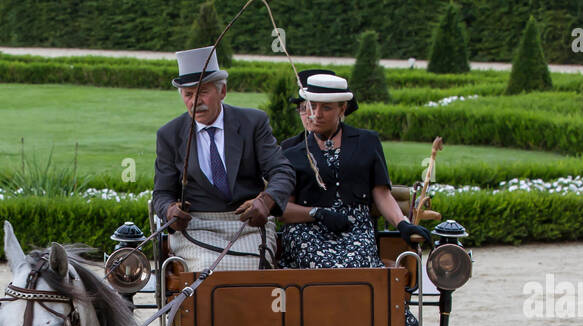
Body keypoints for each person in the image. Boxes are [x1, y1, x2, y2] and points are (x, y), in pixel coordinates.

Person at [152, 47, 295, 272]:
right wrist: (170, 210)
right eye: (188, 95)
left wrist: (265, 201)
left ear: (223, 91)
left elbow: (282, 171)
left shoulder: (253, 123)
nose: (195, 101)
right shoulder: (169, 135)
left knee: (251, 268)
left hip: (247, 224)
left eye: (203, 92)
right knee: (207, 270)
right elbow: (161, 193)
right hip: (197, 227)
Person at [277, 71, 430, 269]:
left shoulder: (367, 142)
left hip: (356, 227)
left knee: (357, 264)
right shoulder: (293, 152)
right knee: (319, 264)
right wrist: (317, 213)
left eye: (326, 108)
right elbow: (282, 210)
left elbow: (382, 194)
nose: (316, 114)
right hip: (306, 228)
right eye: (312, 107)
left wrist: (402, 224)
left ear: (343, 108)